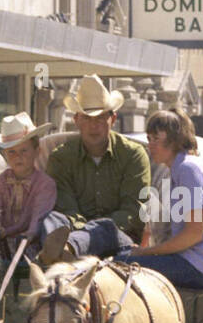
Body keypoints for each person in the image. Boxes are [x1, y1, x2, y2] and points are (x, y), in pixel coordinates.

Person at [114, 108, 203, 289]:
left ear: (174, 141)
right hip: (200, 260)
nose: (150, 146)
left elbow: (194, 233)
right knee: (123, 253)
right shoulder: (182, 168)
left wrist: (146, 252)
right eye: (149, 139)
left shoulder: (187, 169)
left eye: (156, 139)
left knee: (118, 263)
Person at [38, 74, 150, 265]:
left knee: (106, 227)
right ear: (76, 120)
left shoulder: (133, 155)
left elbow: (133, 212)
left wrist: (89, 232)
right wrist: (84, 233)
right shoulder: (61, 157)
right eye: (87, 118)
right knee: (51, 218)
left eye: (100, 118)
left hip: (119, 238)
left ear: (112, 119)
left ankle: (65, 251)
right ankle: (61, 251)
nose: (93, 125)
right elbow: (65, 206)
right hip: (72, 232)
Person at [0, 113, 57, 254]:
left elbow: (38, 218)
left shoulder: (45, 184)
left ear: (37, 151)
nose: (18, 157)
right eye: (11, 152)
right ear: (5, 154)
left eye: (24, 150)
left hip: (32, 245)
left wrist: (29, 235)